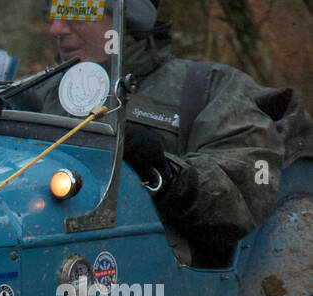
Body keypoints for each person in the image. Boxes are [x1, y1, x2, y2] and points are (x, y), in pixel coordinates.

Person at [36, 0, 312, 267]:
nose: (56, 29)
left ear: (127, 20)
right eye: (54, 14)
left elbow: (242, 187)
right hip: (44, 257)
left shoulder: (207, 87)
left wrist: (165, 173)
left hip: (152, 282)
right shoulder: (37, 93)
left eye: (78, 14)